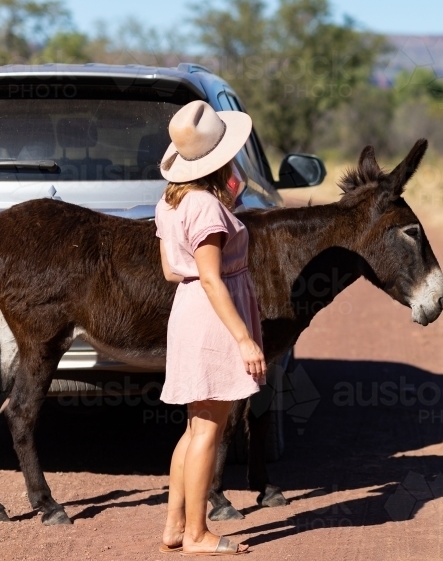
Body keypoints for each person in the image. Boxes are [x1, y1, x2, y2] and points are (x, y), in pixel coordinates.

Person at [154, 100, 266, 556]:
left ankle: (175, 526)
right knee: (207, 430)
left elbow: (170, 272)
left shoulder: (171, 201)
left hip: (190, 310)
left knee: (194, 426)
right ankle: (198, 534)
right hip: (214, 318)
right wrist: (243, 337)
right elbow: (213, 277)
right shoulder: (206, 208)